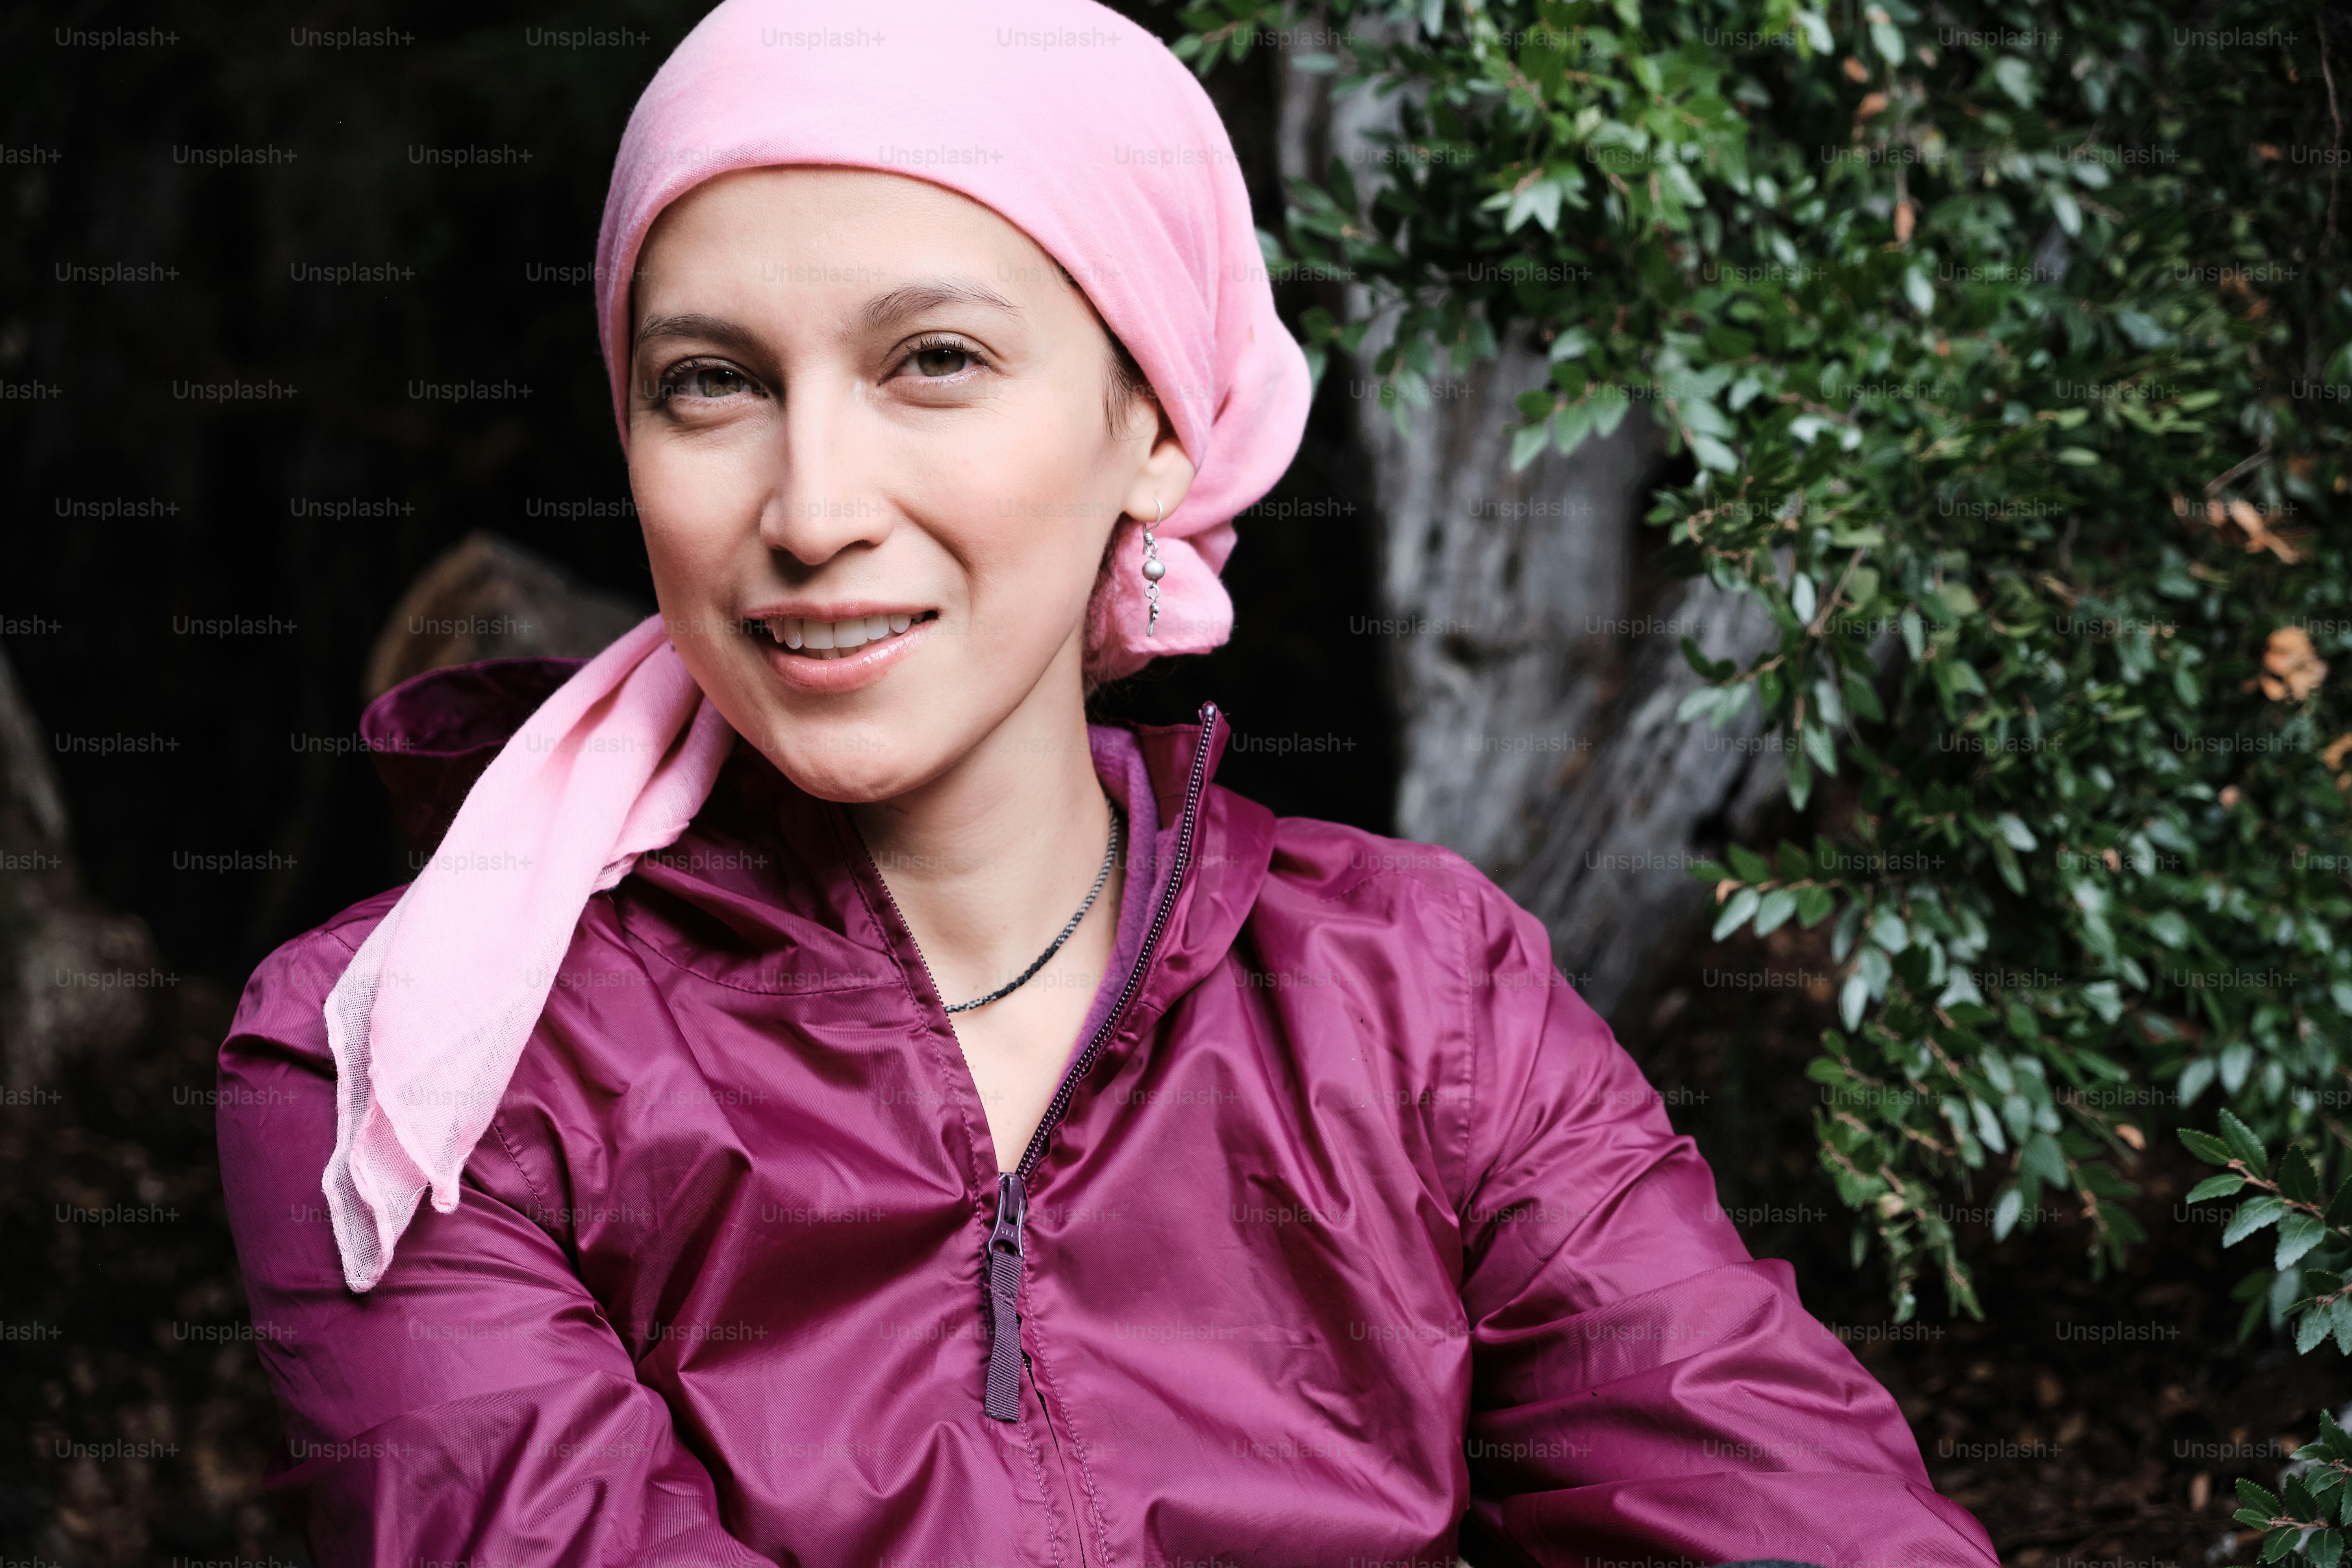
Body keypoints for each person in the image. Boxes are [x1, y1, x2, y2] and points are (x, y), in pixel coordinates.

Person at [215, 1, 2000, 1564]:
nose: (814, 503)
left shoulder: (1415, 993)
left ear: (1156, 422)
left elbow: (1787, 1505)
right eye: (709, 382)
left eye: (935, 361)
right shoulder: (410, 1067)